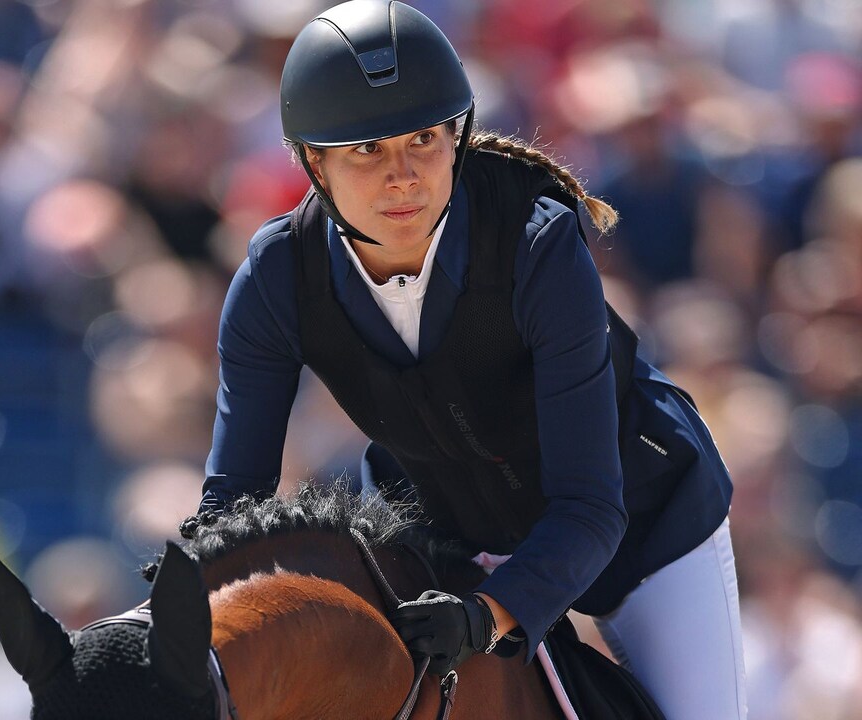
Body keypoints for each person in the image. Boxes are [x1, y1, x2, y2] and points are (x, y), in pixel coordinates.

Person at [184, 1, 746, 718]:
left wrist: (488, 615)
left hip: (642, 520)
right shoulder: (276, 276)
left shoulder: (536, 245)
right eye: (366, 149)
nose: (403, 177)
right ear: (313, 162)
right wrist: (181, 616)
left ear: (458, 135)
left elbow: (589, 506)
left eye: (424, 138)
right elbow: (237, 500)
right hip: (449, 532)